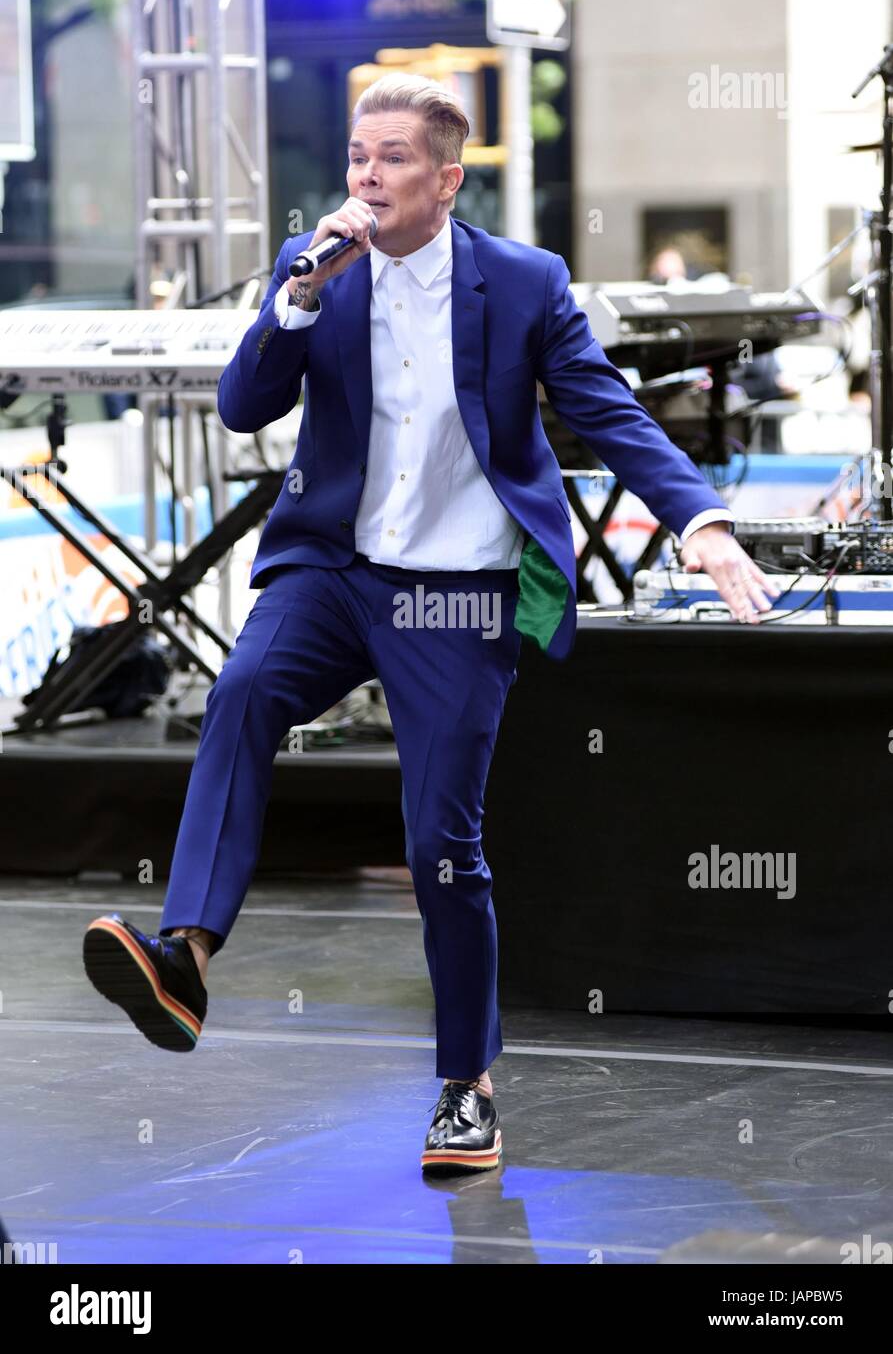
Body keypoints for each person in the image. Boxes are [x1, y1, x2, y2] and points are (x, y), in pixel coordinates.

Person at [83, 73, 777, 1175]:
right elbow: (242, 406)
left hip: (454, 593)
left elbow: (607, 410)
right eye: (358, 154)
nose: (366, 174)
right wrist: (297, 295)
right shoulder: (316, 272)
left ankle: (466, 1086)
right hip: (335, 568)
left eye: (393, 157)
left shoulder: (522, 282)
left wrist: (695, 518)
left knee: (438, 847)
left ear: (447, 178)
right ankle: (186, 950)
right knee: (242, 691)